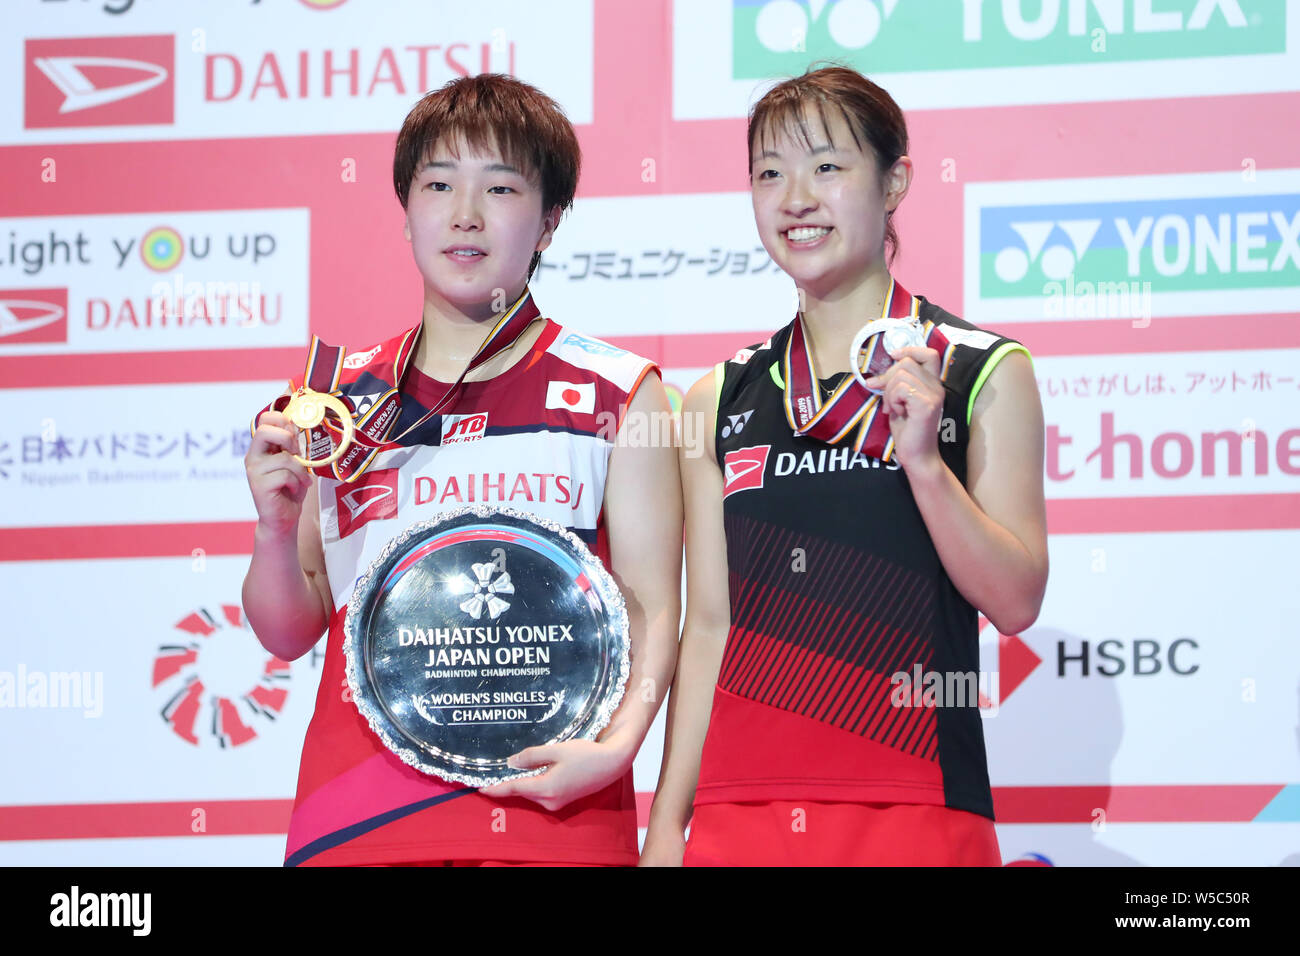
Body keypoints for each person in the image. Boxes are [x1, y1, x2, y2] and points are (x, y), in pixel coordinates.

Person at [242, 73, 682, 867]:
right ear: (407, 207)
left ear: (549, 222)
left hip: (551, 814)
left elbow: (652, 607)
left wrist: (618, 748)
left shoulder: (622, 393)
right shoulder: (341, 401)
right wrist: (274, 533)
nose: (465, 213)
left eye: (501, 187)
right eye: (439, 183)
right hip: (359, 819)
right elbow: (289, 626)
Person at [642, 66, 1048, 866]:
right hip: (738, 814)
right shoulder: (716, 396)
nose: (795, 197)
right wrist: (667, 822)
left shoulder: (982, 369)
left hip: (916, 802)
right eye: (769, 172)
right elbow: (713, 625)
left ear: (894, 181)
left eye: (828, 167)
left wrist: (926, 462)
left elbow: (1016, 599)